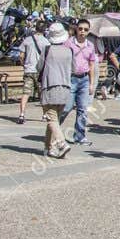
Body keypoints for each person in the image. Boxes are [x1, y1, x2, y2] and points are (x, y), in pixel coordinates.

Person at [36, 22, 75, 159]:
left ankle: (61, 143)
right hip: (65, 88)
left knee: (50, 117)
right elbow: (74, 69)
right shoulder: (69, 51)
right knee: (54, 119)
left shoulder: (47, 50)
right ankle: (48, 147)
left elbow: (38, 67)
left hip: (50, 87)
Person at [67, 18, 101, 146]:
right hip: (71, 78)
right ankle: (55, 129)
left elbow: (92, 65)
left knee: (82, 109)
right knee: (67, 107)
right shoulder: (69, 43)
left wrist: (92, 84)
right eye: (80, 29)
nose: (82, 32)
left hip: (85, 79)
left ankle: (80, 136)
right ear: (76, 29)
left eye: (85, 30)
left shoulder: (90, 46)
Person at [15, 21, 49, 126]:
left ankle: (21, 114)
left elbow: (21, 55)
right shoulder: (46, 42)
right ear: (44, 30)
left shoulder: (27, 40)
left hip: (28, 70)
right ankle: (44, 115)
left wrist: (23, 64)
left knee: (25, 93)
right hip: (40, 71)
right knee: (42, 93)